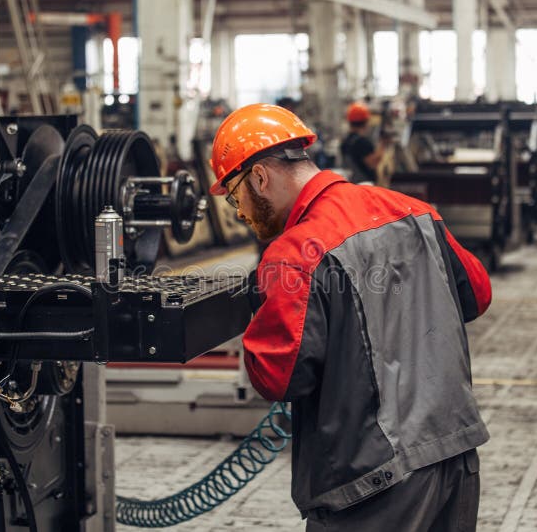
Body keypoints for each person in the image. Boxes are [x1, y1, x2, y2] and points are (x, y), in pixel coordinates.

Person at [209, 103, 492, 532]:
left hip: (373, 486)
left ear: (260, 178)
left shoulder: (293, 255)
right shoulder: (413, 211)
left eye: (235, 196)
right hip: (453, 458)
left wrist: (258, 311)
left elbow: (278, 378)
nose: (239, 212)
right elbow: (477, 295)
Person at [340, 101, 387, 184]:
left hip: (350, 185)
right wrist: (383, 144)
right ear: (366, 122)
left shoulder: (345, 141)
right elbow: (372, 163)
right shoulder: (362, 142)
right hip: (365, 186)